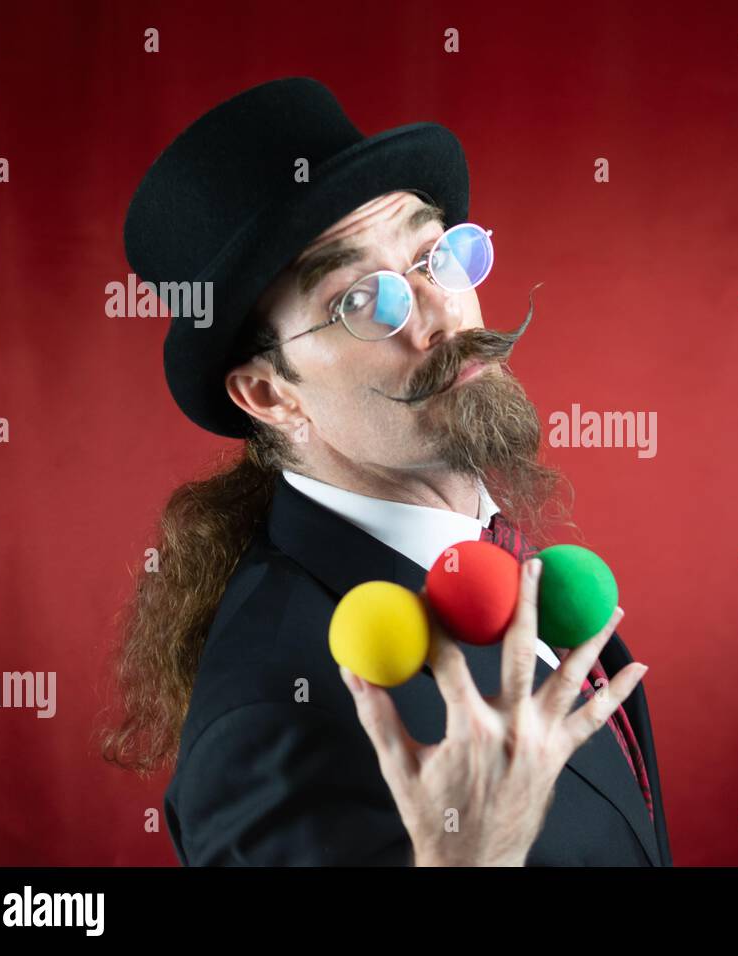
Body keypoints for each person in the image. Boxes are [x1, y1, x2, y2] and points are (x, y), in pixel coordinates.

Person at [100, 77, 672, 866]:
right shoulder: (269, 715)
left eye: (435, 254)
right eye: (364, 299)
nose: (443, 312)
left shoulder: (490, 558)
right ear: (271, 394)